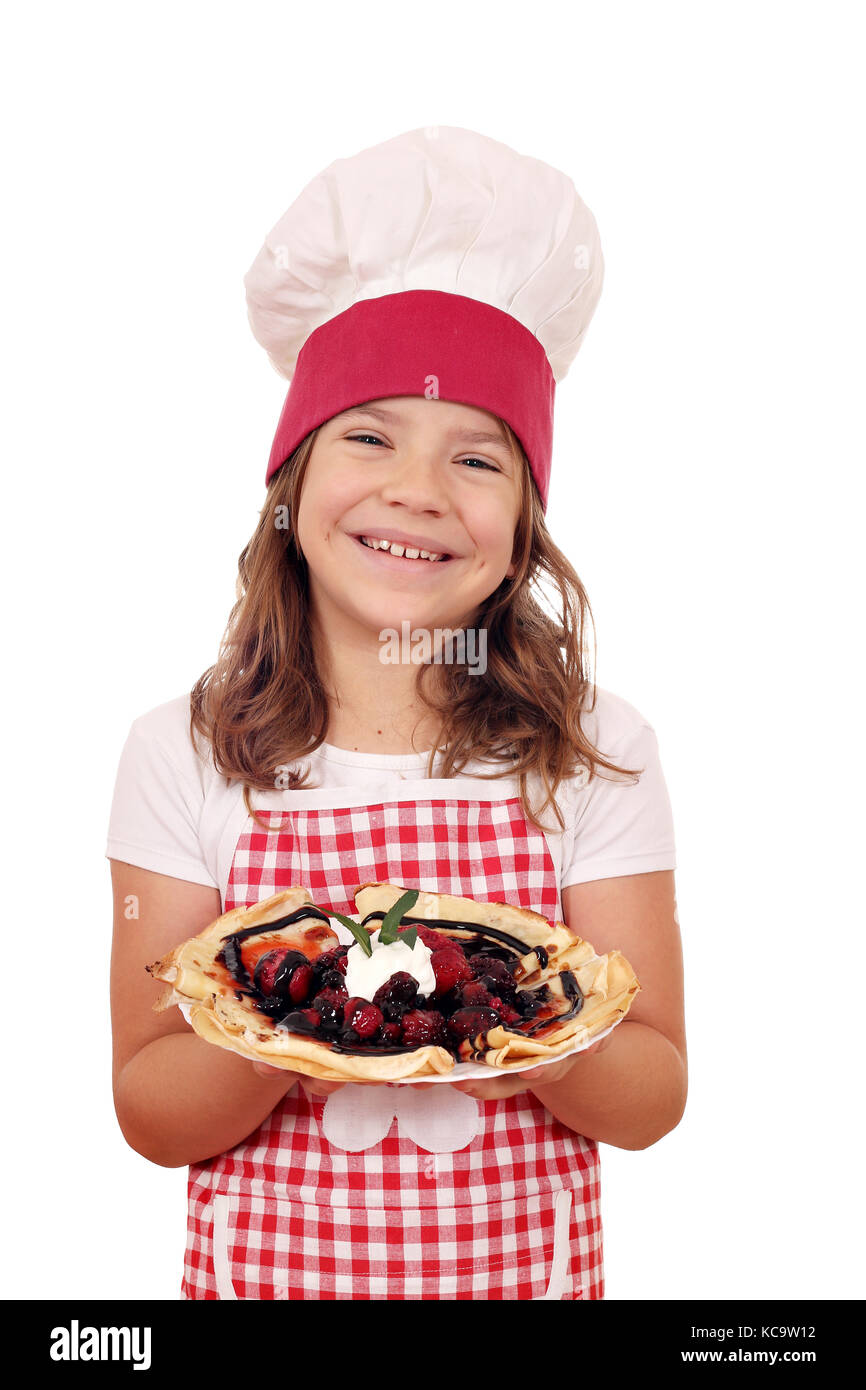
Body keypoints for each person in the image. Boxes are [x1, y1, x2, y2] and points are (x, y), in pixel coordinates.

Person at [106, 125, 686, 1301]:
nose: (416, 490)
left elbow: (653, 1090)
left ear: (524, 521)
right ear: (293, 484)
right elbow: (150, 1107)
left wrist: (500, 1019)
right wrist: (299, 1022)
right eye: (368, 435)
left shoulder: (594, 749)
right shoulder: (180, 750)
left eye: (478, 459)